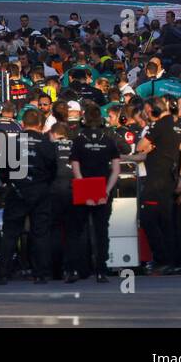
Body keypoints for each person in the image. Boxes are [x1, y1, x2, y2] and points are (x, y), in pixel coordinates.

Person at [0, 109, 57, 283]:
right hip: (40, 191)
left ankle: (3, 273)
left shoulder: (12, 143)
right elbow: (53, 170)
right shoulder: (46, 144)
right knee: (40, 233)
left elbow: (3, 170)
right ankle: (42, 273)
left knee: (10, 234)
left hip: (17, 191)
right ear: (39, 125)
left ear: (22, 124)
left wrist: (12, 183)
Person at [70, 102, 121, 283]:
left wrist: (84, 189)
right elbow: (116, 169)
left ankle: (78, 269)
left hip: (84, 187)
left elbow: (75, 169)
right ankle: (101, 270)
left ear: (84, 119)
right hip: (102, 187)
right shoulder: (109, 141)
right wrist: (106, 191)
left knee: (79, 231)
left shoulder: (78, 140)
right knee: (101, 231)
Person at [138, 98, 181, 275]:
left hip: (157, 182)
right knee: (169, 223)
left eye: (147, 110)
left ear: (154, 111)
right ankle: (175, 262)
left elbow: (140, 147)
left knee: (148, 219)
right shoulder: (177, 126)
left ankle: (163, 259)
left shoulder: (157, 126)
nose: (146, 114)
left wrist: (147, 148)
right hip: (173, 180)